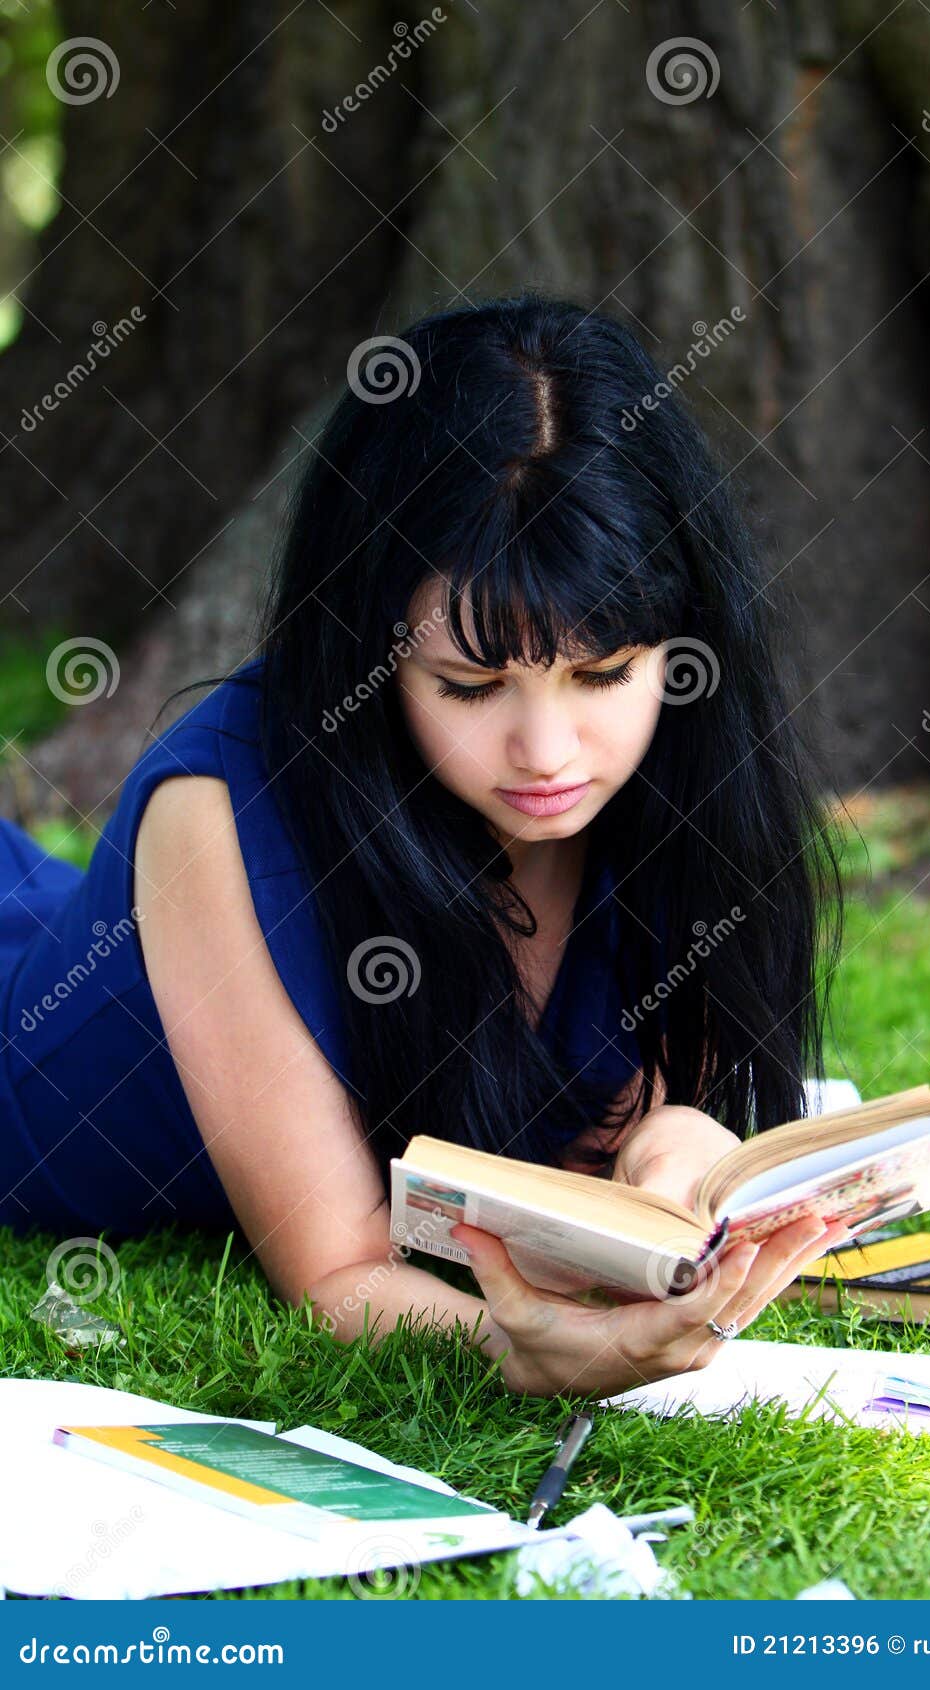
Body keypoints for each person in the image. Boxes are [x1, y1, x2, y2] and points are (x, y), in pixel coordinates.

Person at [0, 291, 850, 1397]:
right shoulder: (220, 806)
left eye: (602, 674)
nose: (547, 751)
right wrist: (540, 1351)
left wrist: (677, 1157)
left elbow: (617, 1124)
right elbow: (342, 1268)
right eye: (467, 684)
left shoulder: (671, 779)